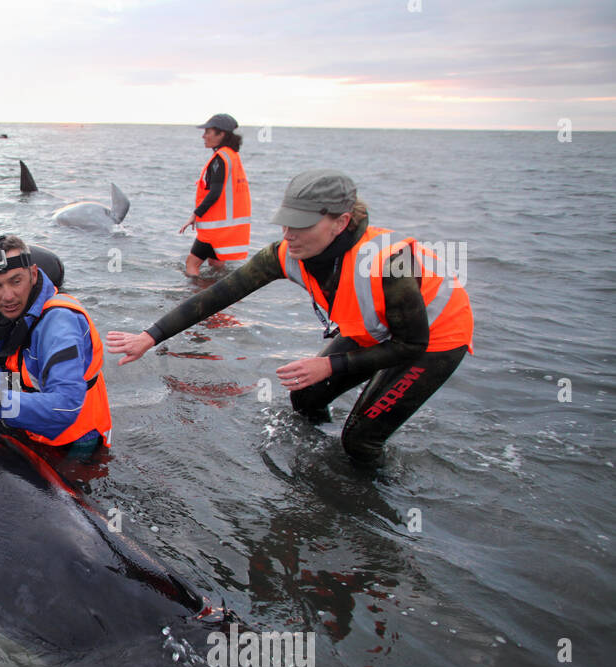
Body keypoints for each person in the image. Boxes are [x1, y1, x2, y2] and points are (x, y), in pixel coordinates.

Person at [107, 170, 474, 464]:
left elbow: (411, 345)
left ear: (340, 222)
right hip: (375, 329)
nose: (289, 236)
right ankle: (314, 466)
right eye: (285, 224)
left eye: (301, 226)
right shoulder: (284, 253)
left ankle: (368, 505)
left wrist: (332, 366)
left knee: (360, 440)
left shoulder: (389, 263)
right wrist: (149, 337)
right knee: (306, 396)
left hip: (435, 340)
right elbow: (219, 295)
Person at [0, 235, 112, 451]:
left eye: (16, 281)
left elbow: (66, 407)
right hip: (30, 426)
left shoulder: (60, 323)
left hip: (76, 440)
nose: (7, 296)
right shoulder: (7, 314)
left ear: (33, 274)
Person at [180, 113, 250, 277]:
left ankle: (197, 299)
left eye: (207, 132)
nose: (203, 136)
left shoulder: (220, 159)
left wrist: (195, 214)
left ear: (221, 134)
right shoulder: (232, 156)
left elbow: (215, 193)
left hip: (215, 229)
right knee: (216, 263)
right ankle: (220, 295)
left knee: (192, 262)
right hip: (228, 228)